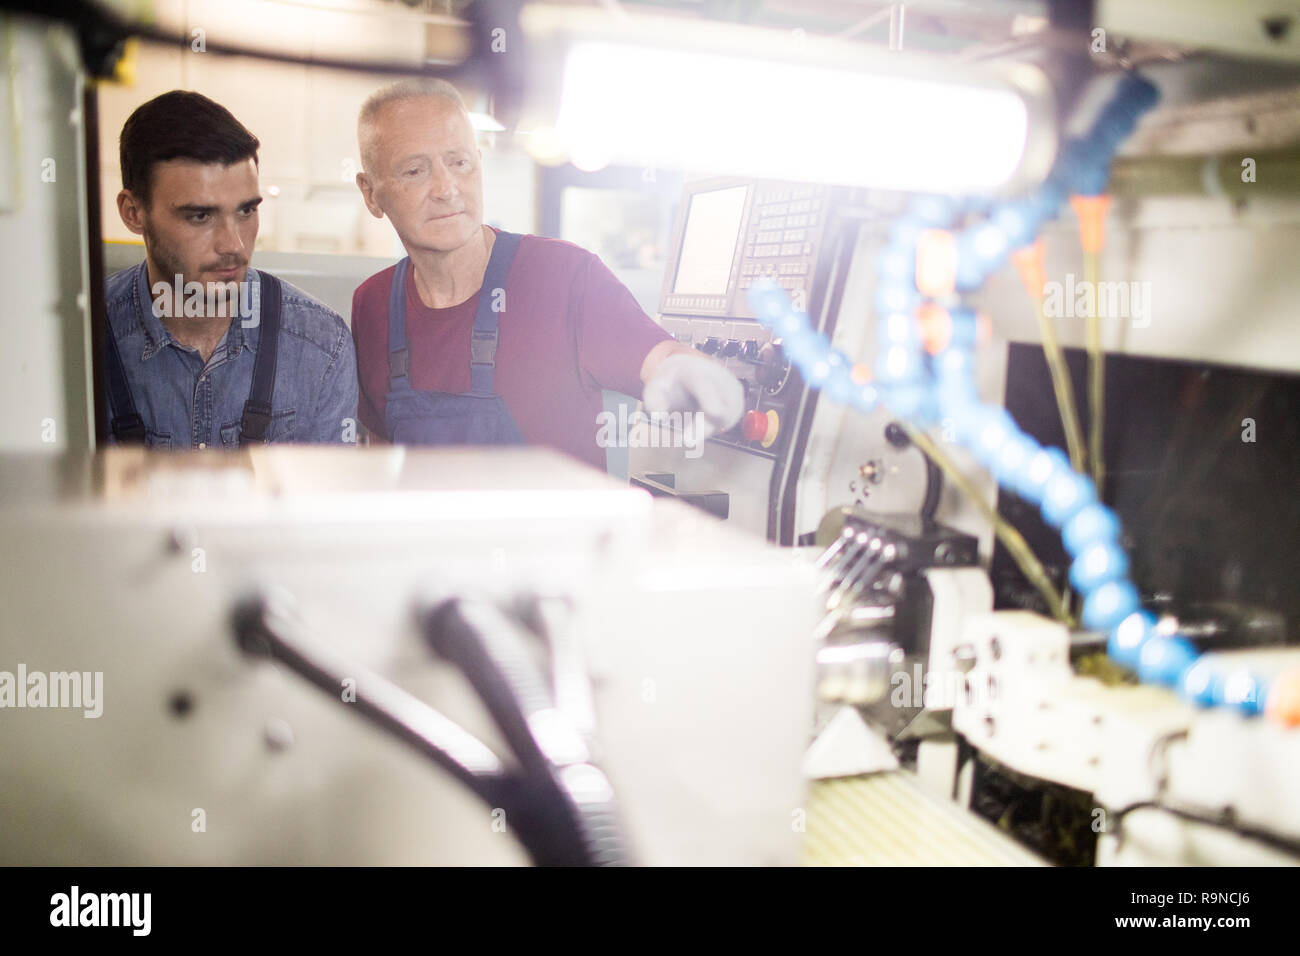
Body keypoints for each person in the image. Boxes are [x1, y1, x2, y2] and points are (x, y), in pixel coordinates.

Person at [350, 78, 743, 469]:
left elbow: (657, 356)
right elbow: (385, 459)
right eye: (415, 170)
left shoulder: (565, 277)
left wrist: (688, 371)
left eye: (459, 162)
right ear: (371, 194)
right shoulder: (373, 304)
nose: (446, 187)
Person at [104, 91, 357, 448]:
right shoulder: (80, 342)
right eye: (200, 216)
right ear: (133, 213)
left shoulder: (321, 345)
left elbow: (330, 502)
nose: (234, 245)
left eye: (245, 211)